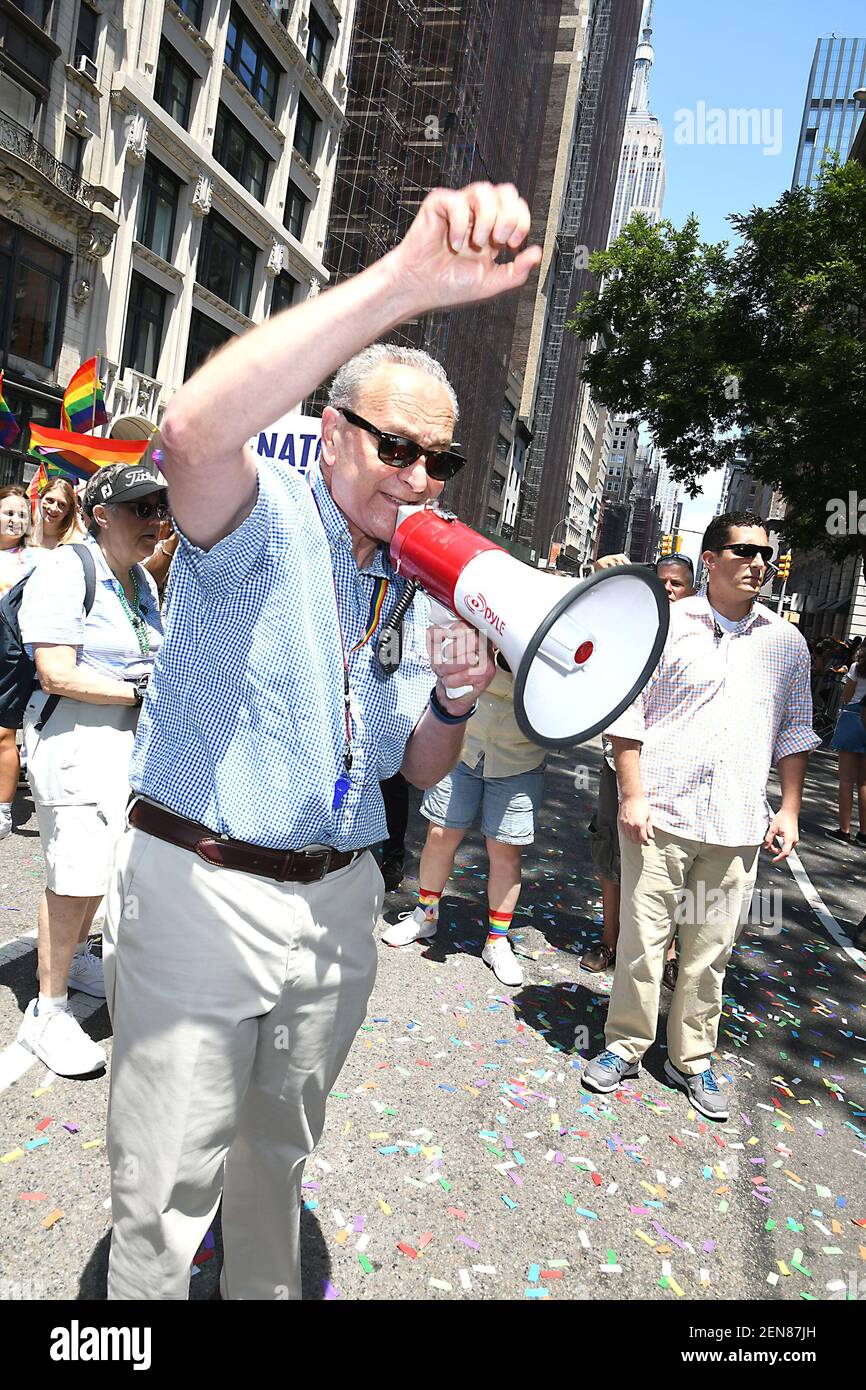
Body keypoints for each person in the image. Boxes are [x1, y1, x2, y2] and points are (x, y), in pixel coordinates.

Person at [101, 181, 539, 1301]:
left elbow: (412, 767)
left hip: (338, 899)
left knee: (274, 1162)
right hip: (205, 888)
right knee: (162, 1190)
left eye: (439, 461)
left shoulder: (399, 577)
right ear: (333, 432)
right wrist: (404, 282)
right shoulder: (263, 510)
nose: (418, 478)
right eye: (396, 446)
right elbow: (193, 427)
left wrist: (449, 700)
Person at [581, 511, 820, 1120]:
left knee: (709, 949)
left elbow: (794, 732)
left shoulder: (787, 644)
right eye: (742, 551)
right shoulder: (665, 626)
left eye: (764, 553)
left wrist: (789, 808)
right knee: (642, 941)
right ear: (709, 560)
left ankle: (691, 1059)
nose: (757, 562)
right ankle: (624, 1045)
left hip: (737, 824)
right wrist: (632, 795)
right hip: (661, 814)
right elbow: (627, 714)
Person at [15, 465, 166, 1075]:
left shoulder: (139, 582)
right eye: (140, 510)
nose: (155, 521)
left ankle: (77, 956)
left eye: (160, 510)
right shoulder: (65, 567)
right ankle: (47, 1011)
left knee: (104, 866)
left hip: (120, 747)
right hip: (73, 742)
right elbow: (55, 671)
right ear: (101, 513)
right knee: (74, 874)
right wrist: (141, 692)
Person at [381, 651, 547, 986]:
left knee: (505, 849)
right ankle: (426, 916)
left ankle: (497, 940)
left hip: (520, 752)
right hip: (464, 741)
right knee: (440, 833)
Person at [582, 553, 695, 985]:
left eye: (677, 584)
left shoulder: (704, 635)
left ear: (691, 590)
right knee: (610, 847)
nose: (668, 589)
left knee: (671, 859)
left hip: (673, 769)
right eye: (661, 581)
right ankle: (610, 942)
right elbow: (589, 629)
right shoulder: (630, 624)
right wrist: (603, 578)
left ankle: (668, 953)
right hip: (620, 758)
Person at [0, 485, 37, 839]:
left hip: (10, 657)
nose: (15, 520)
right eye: (9, 512)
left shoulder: (38, 560)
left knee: (3, 733)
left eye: (21, 514)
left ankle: (3, 810)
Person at [827, 643, 866, 843]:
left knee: (846, 779)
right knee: (865, 782)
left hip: (853, 719)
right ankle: (864, 832)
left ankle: (845, 829)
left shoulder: (856, 667)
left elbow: (847, 696)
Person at [32, 479, 85, 550]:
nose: (54, 508)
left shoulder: (76, 543)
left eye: (62, 505)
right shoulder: (24, 532)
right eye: (50, 500)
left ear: (69, 510)